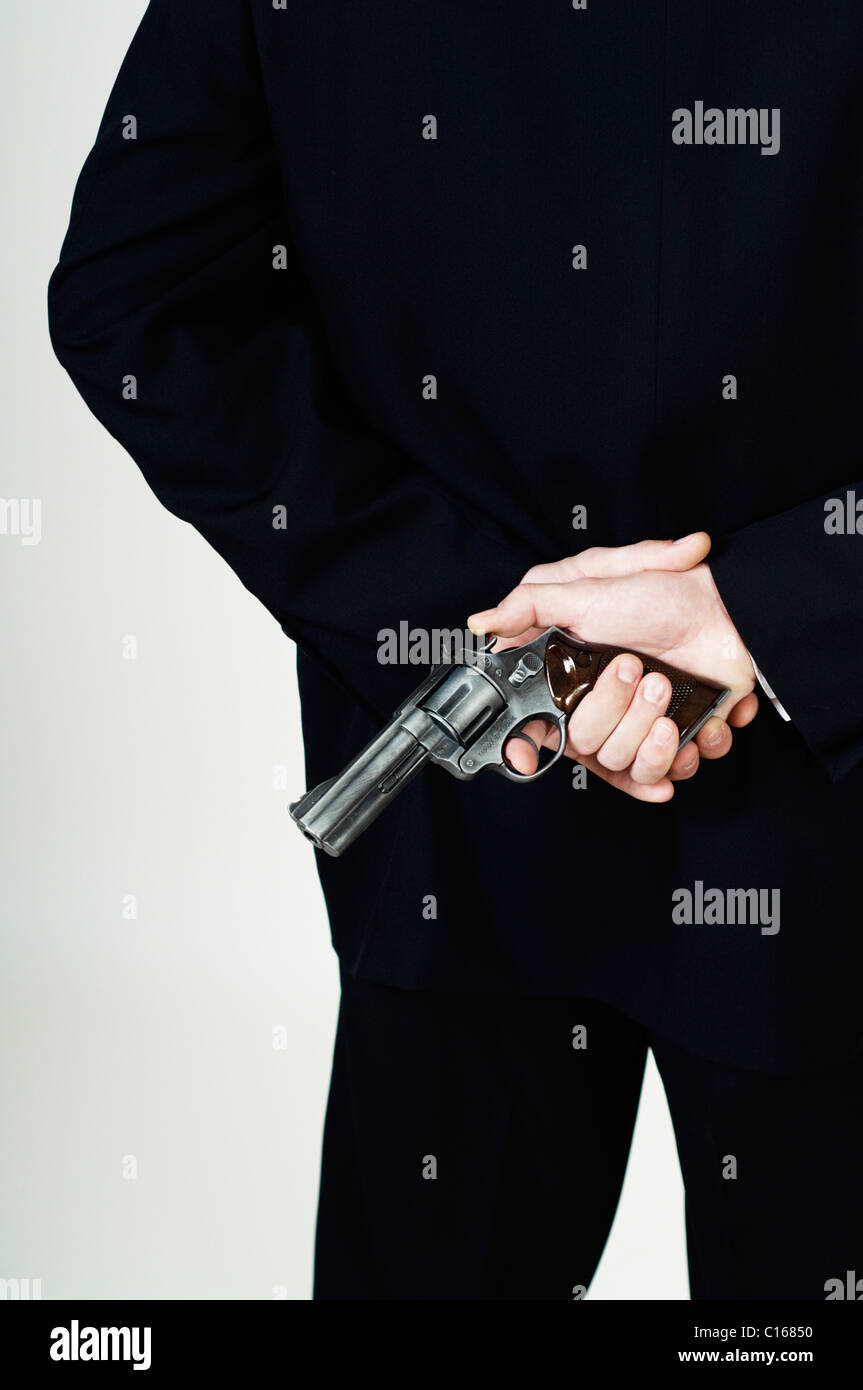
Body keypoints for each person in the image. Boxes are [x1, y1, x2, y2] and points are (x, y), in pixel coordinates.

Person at [48, 1, 863, 1300]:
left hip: (462, 836)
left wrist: (469, 618)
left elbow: (136, 301)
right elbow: (133, 303)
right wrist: (778, 605)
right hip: (806, 814)